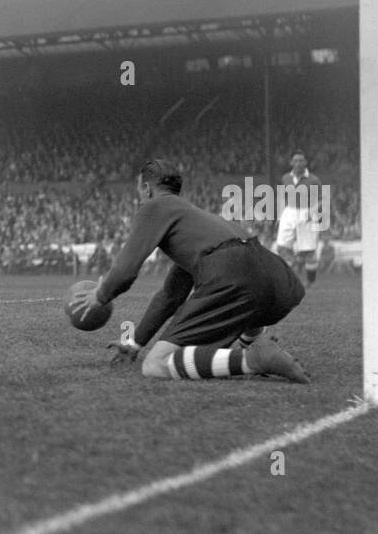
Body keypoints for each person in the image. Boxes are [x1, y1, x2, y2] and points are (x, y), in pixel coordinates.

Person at [72, 158, 310, 382]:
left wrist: (100, 295)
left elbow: (124, 272)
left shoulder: (154, 207)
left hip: (233, 270)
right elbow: (171, 295)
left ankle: (253, 359)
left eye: (139, 191)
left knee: (155, 364)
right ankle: (256, 341)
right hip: (276, 275)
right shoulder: (196, 221)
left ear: (146, 188)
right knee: (242, 299)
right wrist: (134, 344)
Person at [275, 151, 324, 286]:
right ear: (291, 163)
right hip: (289, 211)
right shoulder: (285, 178)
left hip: (306, 212)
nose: (298, 163)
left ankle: (310, 281)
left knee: (309, 251)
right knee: (281, 247)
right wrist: (280, 215)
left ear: (305, 163)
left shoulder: (314, 180)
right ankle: (290, 275)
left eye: (301, 161)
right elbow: (281, 197)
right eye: (295, 161)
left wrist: (312, 211)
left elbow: (321, 200)